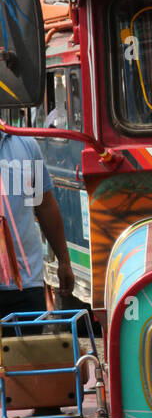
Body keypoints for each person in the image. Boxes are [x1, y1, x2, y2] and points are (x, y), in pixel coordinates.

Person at [0, 129, 74, 321]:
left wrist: (64, 261)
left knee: (29, 348)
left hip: (25, 283)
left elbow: (45, 205)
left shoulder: (26, 145)